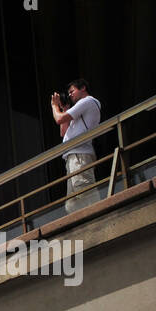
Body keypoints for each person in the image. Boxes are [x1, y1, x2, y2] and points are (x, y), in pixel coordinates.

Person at [50, 79, 102, 213]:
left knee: (85, 191)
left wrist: (54, 106)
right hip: (73, 155)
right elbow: (63, 132)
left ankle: (99, 217)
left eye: (72, 91)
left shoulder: (88, 101)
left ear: (83, 88)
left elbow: (59, 119)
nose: (70, 95)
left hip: (80, 154)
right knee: (72, 203)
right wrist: (65, 109)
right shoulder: (79, 110)